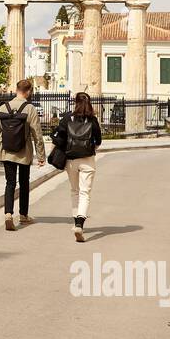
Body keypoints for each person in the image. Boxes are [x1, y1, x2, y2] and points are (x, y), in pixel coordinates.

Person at [0, 79, 46, 231]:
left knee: (10, 183)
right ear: (28, 91)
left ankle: (8, 214)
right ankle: (23, 215)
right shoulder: (30, 109)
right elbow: (37, 134)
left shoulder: (4, 107)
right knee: (24, 183)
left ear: (16, 90)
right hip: (23, 151)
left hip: (6, 150)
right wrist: (41, 156)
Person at [52, 91, 103, 242]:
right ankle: (80, 224)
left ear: (75, 102)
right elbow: (98, 140)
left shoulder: (68, 118)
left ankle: (76, 223)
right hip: (87, 159)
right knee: (85, 193)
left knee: (75, 191)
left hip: (71, 160)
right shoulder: (92, 120)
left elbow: (59, 138)